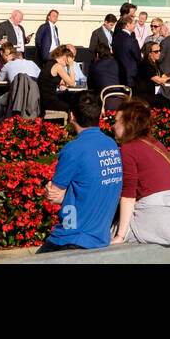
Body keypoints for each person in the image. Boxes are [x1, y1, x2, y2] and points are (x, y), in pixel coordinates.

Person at [39, 93, 122, 252]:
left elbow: (54, 194)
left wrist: (57, 194)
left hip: (71, 237)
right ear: (100, 114)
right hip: (100, 237)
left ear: (71, 116)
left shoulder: (73, 149)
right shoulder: (111, 145)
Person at [111, 98, 170, 246]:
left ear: (127, 124)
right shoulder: (158, 145)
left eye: (117, 121)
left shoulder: (129, 148)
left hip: (154, 220)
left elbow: (128, 197)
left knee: (104, 236)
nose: (113, 126)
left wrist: (120, 235)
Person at [39, 45, 79, 113]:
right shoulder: (58, 66)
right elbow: (72, 84)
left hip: (44, 99)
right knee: (75, 107)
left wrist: (62, 84)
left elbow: (57, 80)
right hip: (50, 102)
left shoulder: (50, 63)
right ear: (65, 57)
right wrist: (71, 66)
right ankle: (73, 123)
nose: (66, 65)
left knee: (69, 98)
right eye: (67, 63)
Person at [133, 41, 170, 107]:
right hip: (142, 95)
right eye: (156, 51)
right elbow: (158, 80)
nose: (159, 53)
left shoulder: (155, 63)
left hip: (150, 94)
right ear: (149, 53)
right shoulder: (145, 64)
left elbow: (163, 76)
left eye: (160, 50)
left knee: (169, 103)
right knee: (165, 104)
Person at [113, 19, 141, 87]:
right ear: (127, 25)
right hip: (130, 74)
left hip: (117, 72)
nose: (135, 26)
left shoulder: (115, 38)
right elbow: (138, 57)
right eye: (133, 24)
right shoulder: (132, 40)